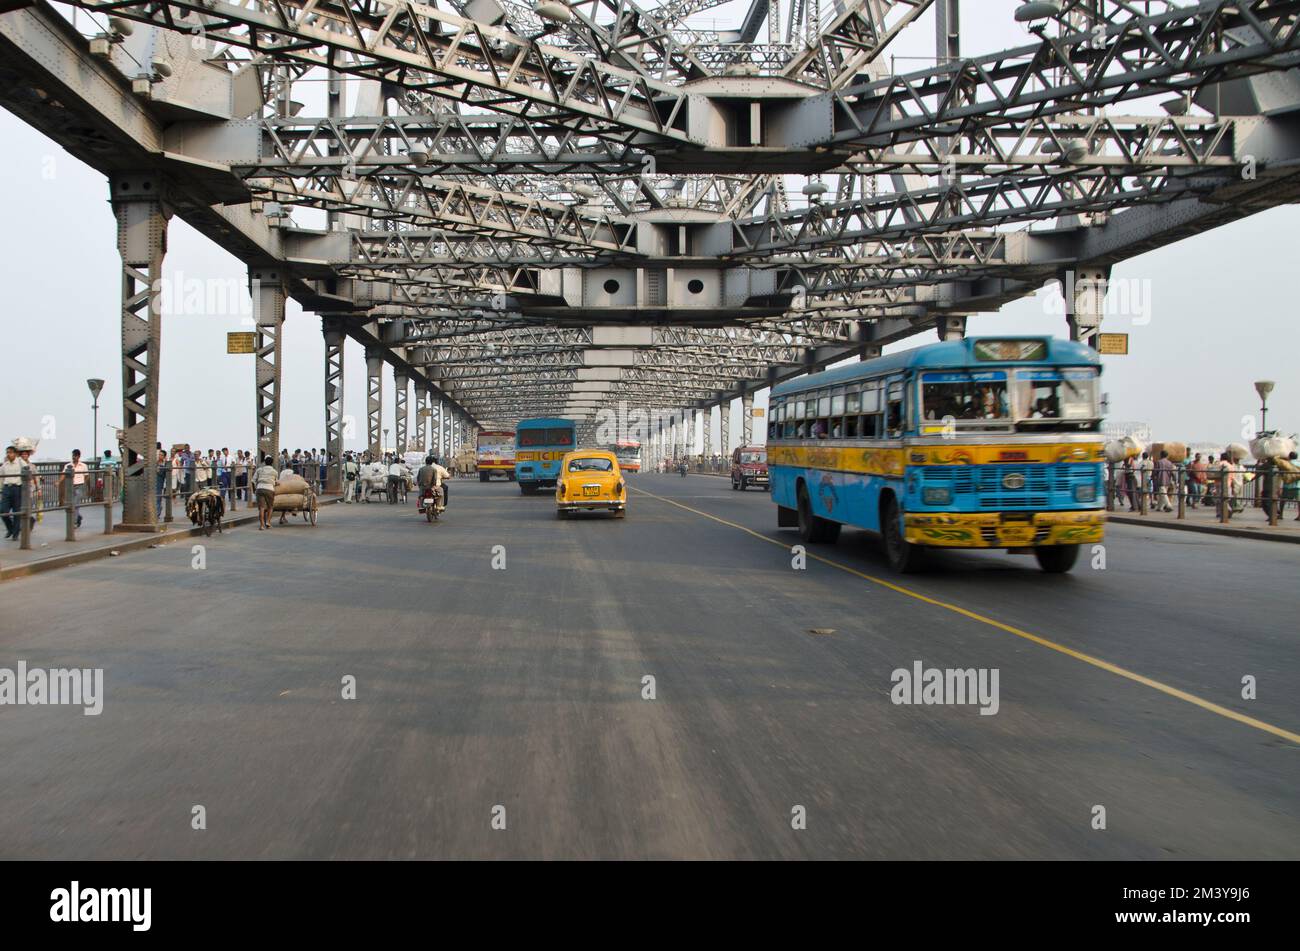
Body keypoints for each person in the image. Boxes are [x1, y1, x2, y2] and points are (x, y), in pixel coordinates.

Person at [59, 449, 90, 529]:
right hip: (70, 486)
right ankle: (78, 517)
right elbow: (63, 474)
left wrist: (84, 484)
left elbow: (87, 476)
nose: (74, 457)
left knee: (75, 505)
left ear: (79, 456)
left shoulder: (83, 466)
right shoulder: (68, 465)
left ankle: (74, 522)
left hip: (79, 486)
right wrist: (58, 482)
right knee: (70, 504)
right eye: (73, 455)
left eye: (75, 456)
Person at [1, 443, 23, 540]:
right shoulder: (5, 464)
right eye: (7, 453)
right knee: (2, 510)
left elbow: (28, 471)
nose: (8, 454)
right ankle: (10, 528)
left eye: (10, 452)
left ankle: (15, 534)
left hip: (16, 488)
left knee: (16, 511)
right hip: (6, 488)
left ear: (15, 454)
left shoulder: (20, 462)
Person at [252, 455, 278, 530]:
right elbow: (276, 482)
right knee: (270, 507)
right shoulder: (274, 472)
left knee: (261, 508)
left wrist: (254, 490)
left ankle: (262, 525)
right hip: (269, 489)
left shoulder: (259, 470)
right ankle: (268, 522)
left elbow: (253, 481)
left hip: (260, 488)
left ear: (264, 463)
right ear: (272, 463)